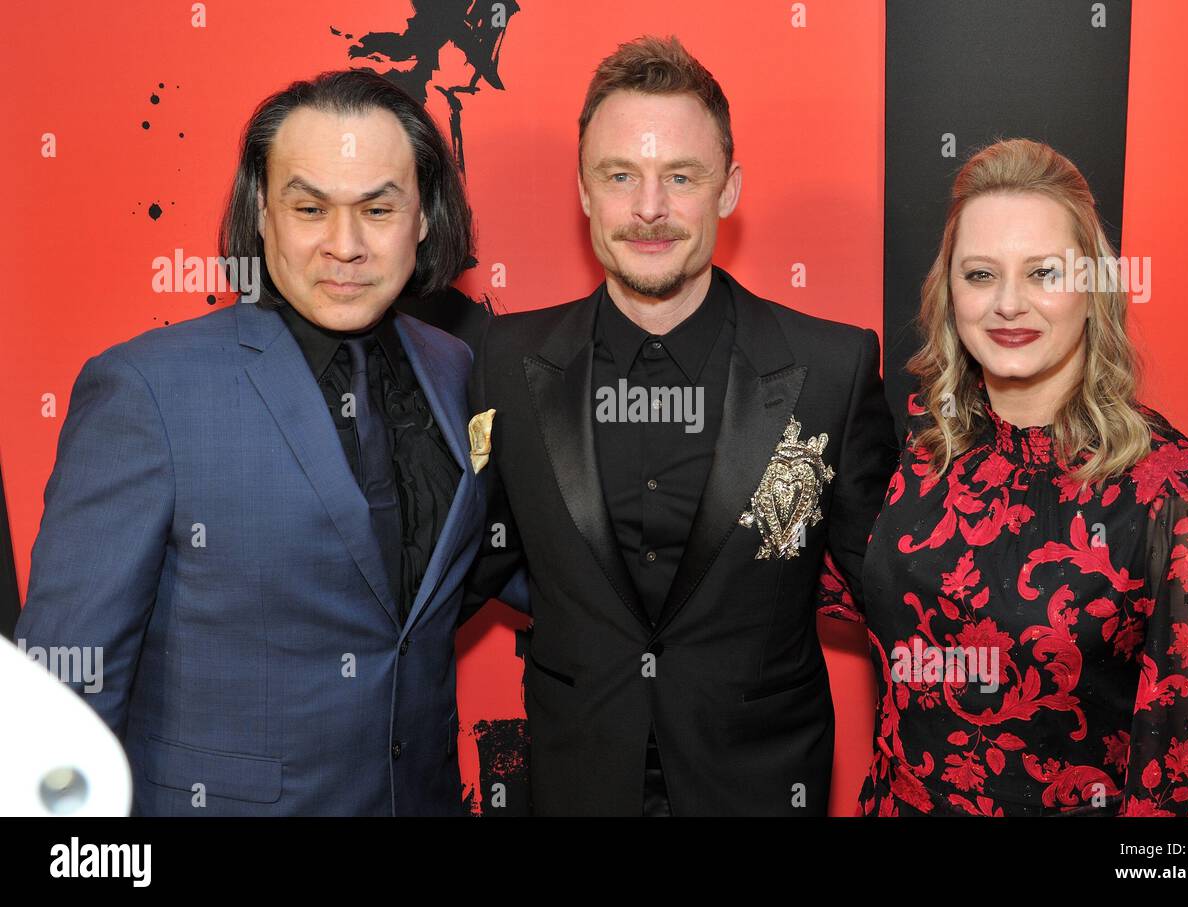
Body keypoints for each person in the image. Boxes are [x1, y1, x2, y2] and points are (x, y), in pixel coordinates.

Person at [16, 70, 484, 815]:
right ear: (262, 214)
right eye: (309, 208)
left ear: (423, 217)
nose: (345, 244)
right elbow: (64, 692)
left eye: (377, 207)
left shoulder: (455, 369)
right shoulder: (148, 390)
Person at [463, 35, 898, 816]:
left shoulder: (831, 368)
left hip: (763, 784)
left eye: (682, 177)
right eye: (621, 175)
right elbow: (461, 569)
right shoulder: (502, 360)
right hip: (574, 780)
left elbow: (899, 592)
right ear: (584, 191)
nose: (651, 208)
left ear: (728, 190)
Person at [857, 138, 1188, 816]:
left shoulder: (1184, 491)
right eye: (981, 274)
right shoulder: (913, 449)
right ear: (948, 291)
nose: (1008, 304)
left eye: (1044, 273)